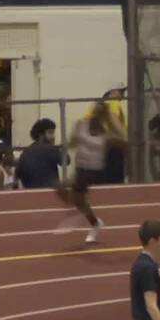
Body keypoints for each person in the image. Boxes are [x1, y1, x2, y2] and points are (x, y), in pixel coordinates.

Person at [65, 102, 126, 244]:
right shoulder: (81, 125)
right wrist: (73, 139)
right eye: (95, 113)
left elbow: (124, 140)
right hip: (81, 168)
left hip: (96, 171)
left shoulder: (107, 134)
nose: (95, 117)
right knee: (70, 194)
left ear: (104, 117)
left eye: (100, 114)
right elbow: (72, 143)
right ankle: (94, 222)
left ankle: (88, 216)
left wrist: (113, 120)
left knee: (72, 191)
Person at [16, 118, 64, 190]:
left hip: (31, 194)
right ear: (41, 135)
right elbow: (66, 161)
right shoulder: (50, 149)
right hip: (50, 193)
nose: (53, 137)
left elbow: (18, 174)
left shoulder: (26, 152)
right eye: (50, 133)